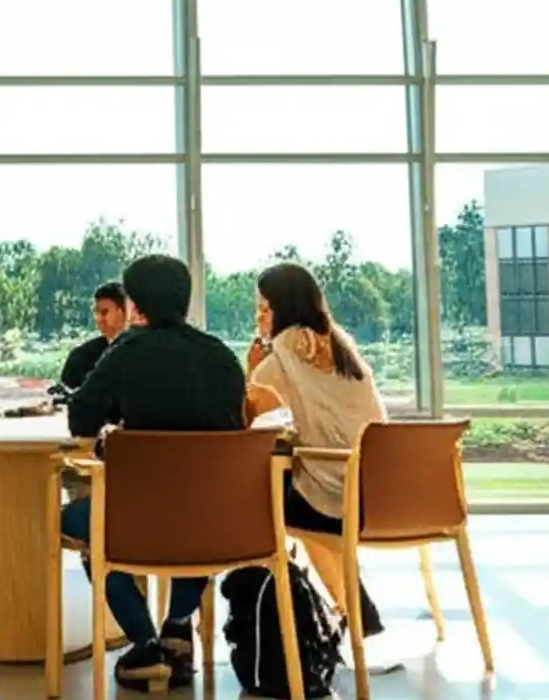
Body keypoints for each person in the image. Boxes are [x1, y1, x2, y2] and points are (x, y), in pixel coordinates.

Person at [63, 255, 246, 690]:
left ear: (135, 305)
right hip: (213, 524)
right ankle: (177, 625)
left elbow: (80, 419)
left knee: (80, 525)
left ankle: (146, 644)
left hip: (134, 521)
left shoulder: (126, 351)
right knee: (193, 508)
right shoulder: (221, 358)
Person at [248, 262, 388, 643]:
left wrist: (254, 365)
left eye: (264, 308)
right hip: (385, 491)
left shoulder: (284, 350)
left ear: (283, 309)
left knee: (273, 502)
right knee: (297, 493)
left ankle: (331, 614)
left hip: (338, 495)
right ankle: (355, 608)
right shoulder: (341, 342)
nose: (259, 317)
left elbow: (247, 412)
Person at [60, 281, 128, 390]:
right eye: (96, 312)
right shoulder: (80, 357)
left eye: (104, 312)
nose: (98, 319)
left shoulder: (140, 353)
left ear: (123, 313)